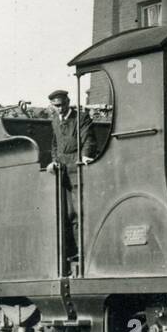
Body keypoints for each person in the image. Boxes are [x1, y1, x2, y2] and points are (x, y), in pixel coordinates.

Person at [46, 89, 94, 262]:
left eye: (62, 105)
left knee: (79, 213)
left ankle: (83, 253)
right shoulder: (54, 122)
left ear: (68, 102)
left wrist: (86, 155)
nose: (60, 109)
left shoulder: (81, 118)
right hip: (63, 172)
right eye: (56, 106)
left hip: (77, 169)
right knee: (67, 214)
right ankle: (74, 252)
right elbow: (55, 145)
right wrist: (54, 160)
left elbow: (87, 139)